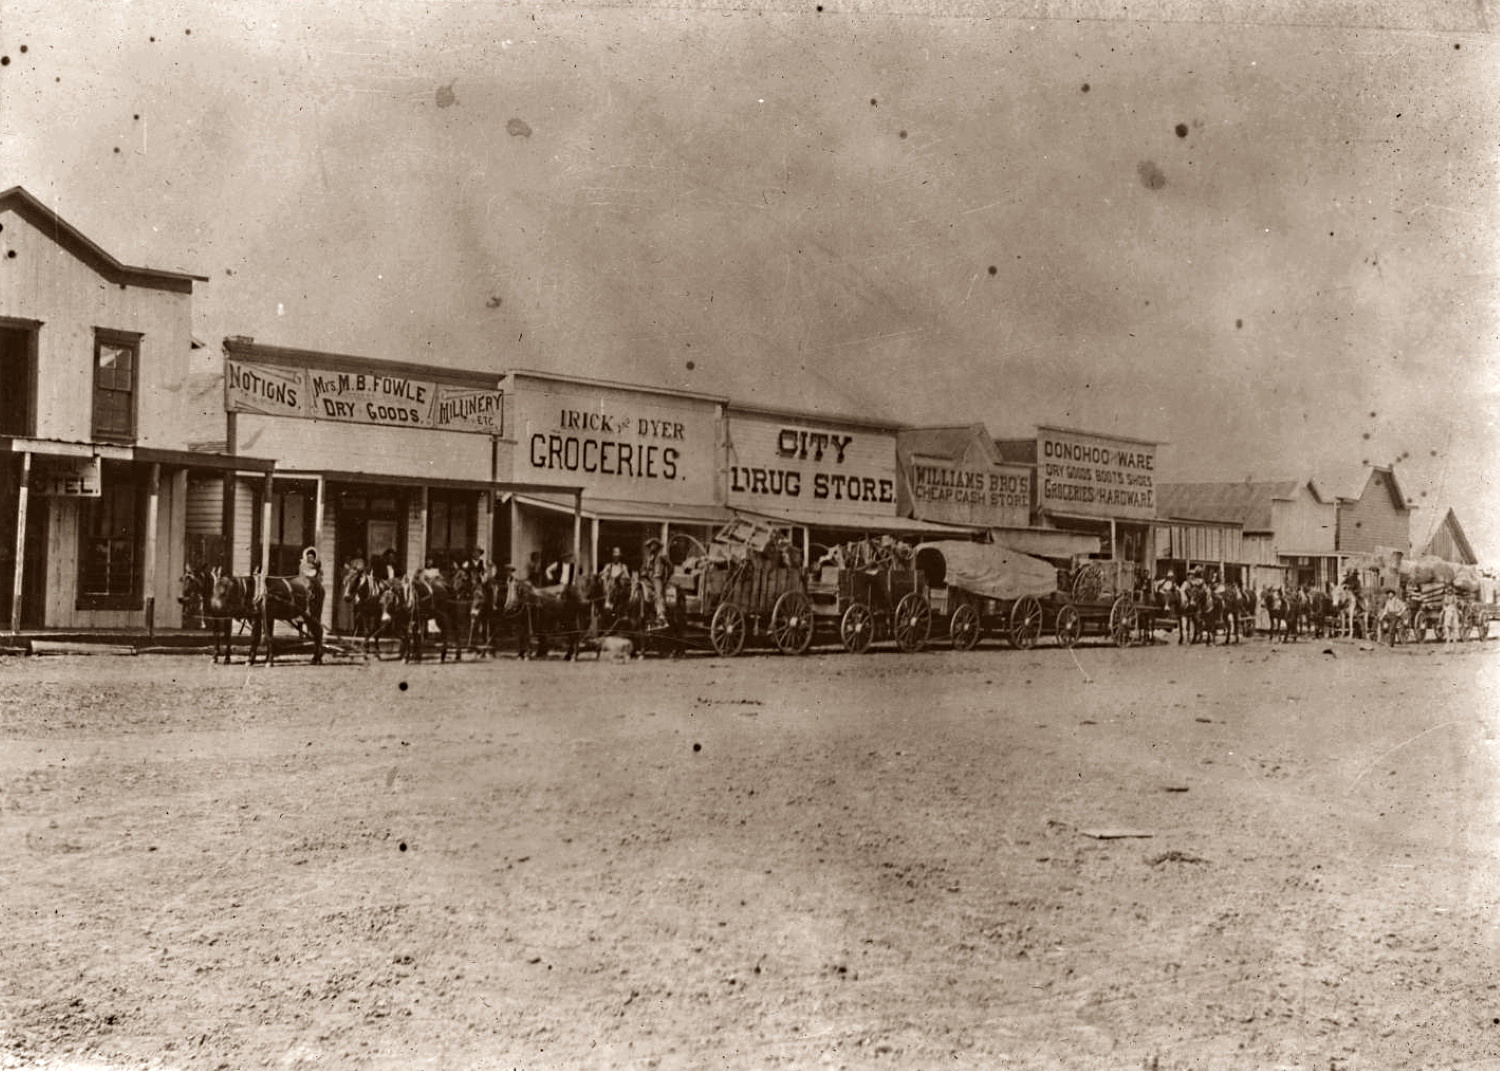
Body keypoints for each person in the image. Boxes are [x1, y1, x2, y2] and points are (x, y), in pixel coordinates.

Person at [641, 537, 672, 627]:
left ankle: (661, 615)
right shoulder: (648, 558)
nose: (653, 548)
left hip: (657, 578)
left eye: (655, 546)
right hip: (647, 579)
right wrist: (643, 572)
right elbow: (642, 568)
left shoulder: (662, 557)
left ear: (658, 547)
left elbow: (670, 567)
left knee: (658, 595)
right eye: (651, 546)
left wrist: (666, 578)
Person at [599, 547, 632, 612]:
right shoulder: (609, 566)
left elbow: (628, 577)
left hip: (621, 586)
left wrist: (623, 577)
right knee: (608, 582)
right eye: (614, 557)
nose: (616, 558)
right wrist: (603, 574)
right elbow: (602, 573)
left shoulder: (623, 566)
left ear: (619, 557)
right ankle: (608, 603)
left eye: (617, 556)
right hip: (611, 586)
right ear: (612, 557)